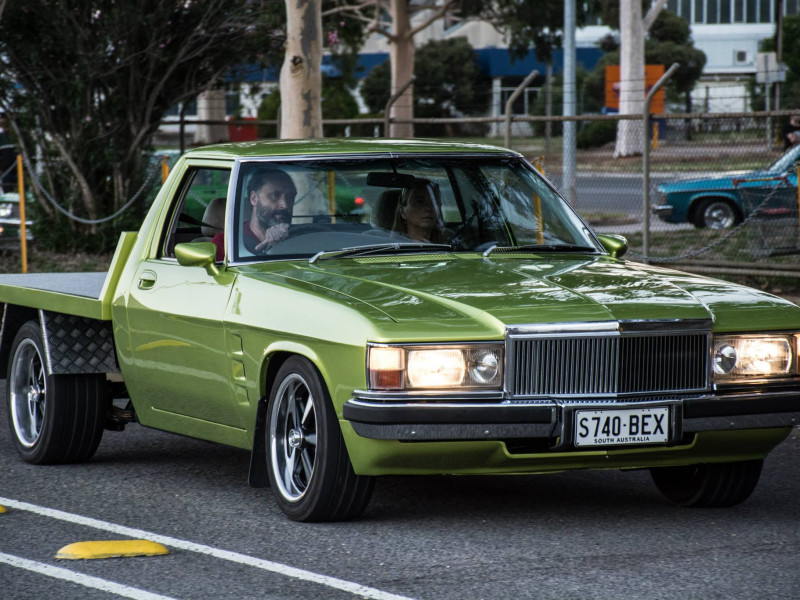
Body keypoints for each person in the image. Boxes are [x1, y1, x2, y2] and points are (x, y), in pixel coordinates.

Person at [241, 167, 297, 253]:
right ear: (254, 199)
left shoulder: (301, 239)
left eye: (290, 197)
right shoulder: (227, 243)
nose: (285, 205)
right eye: (275, 195)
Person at [391, 178, 450, 244]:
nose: (428, 208)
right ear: (403, 212)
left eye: (434, 202)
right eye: (419, 202)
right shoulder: (390, 249)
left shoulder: (451, 243)